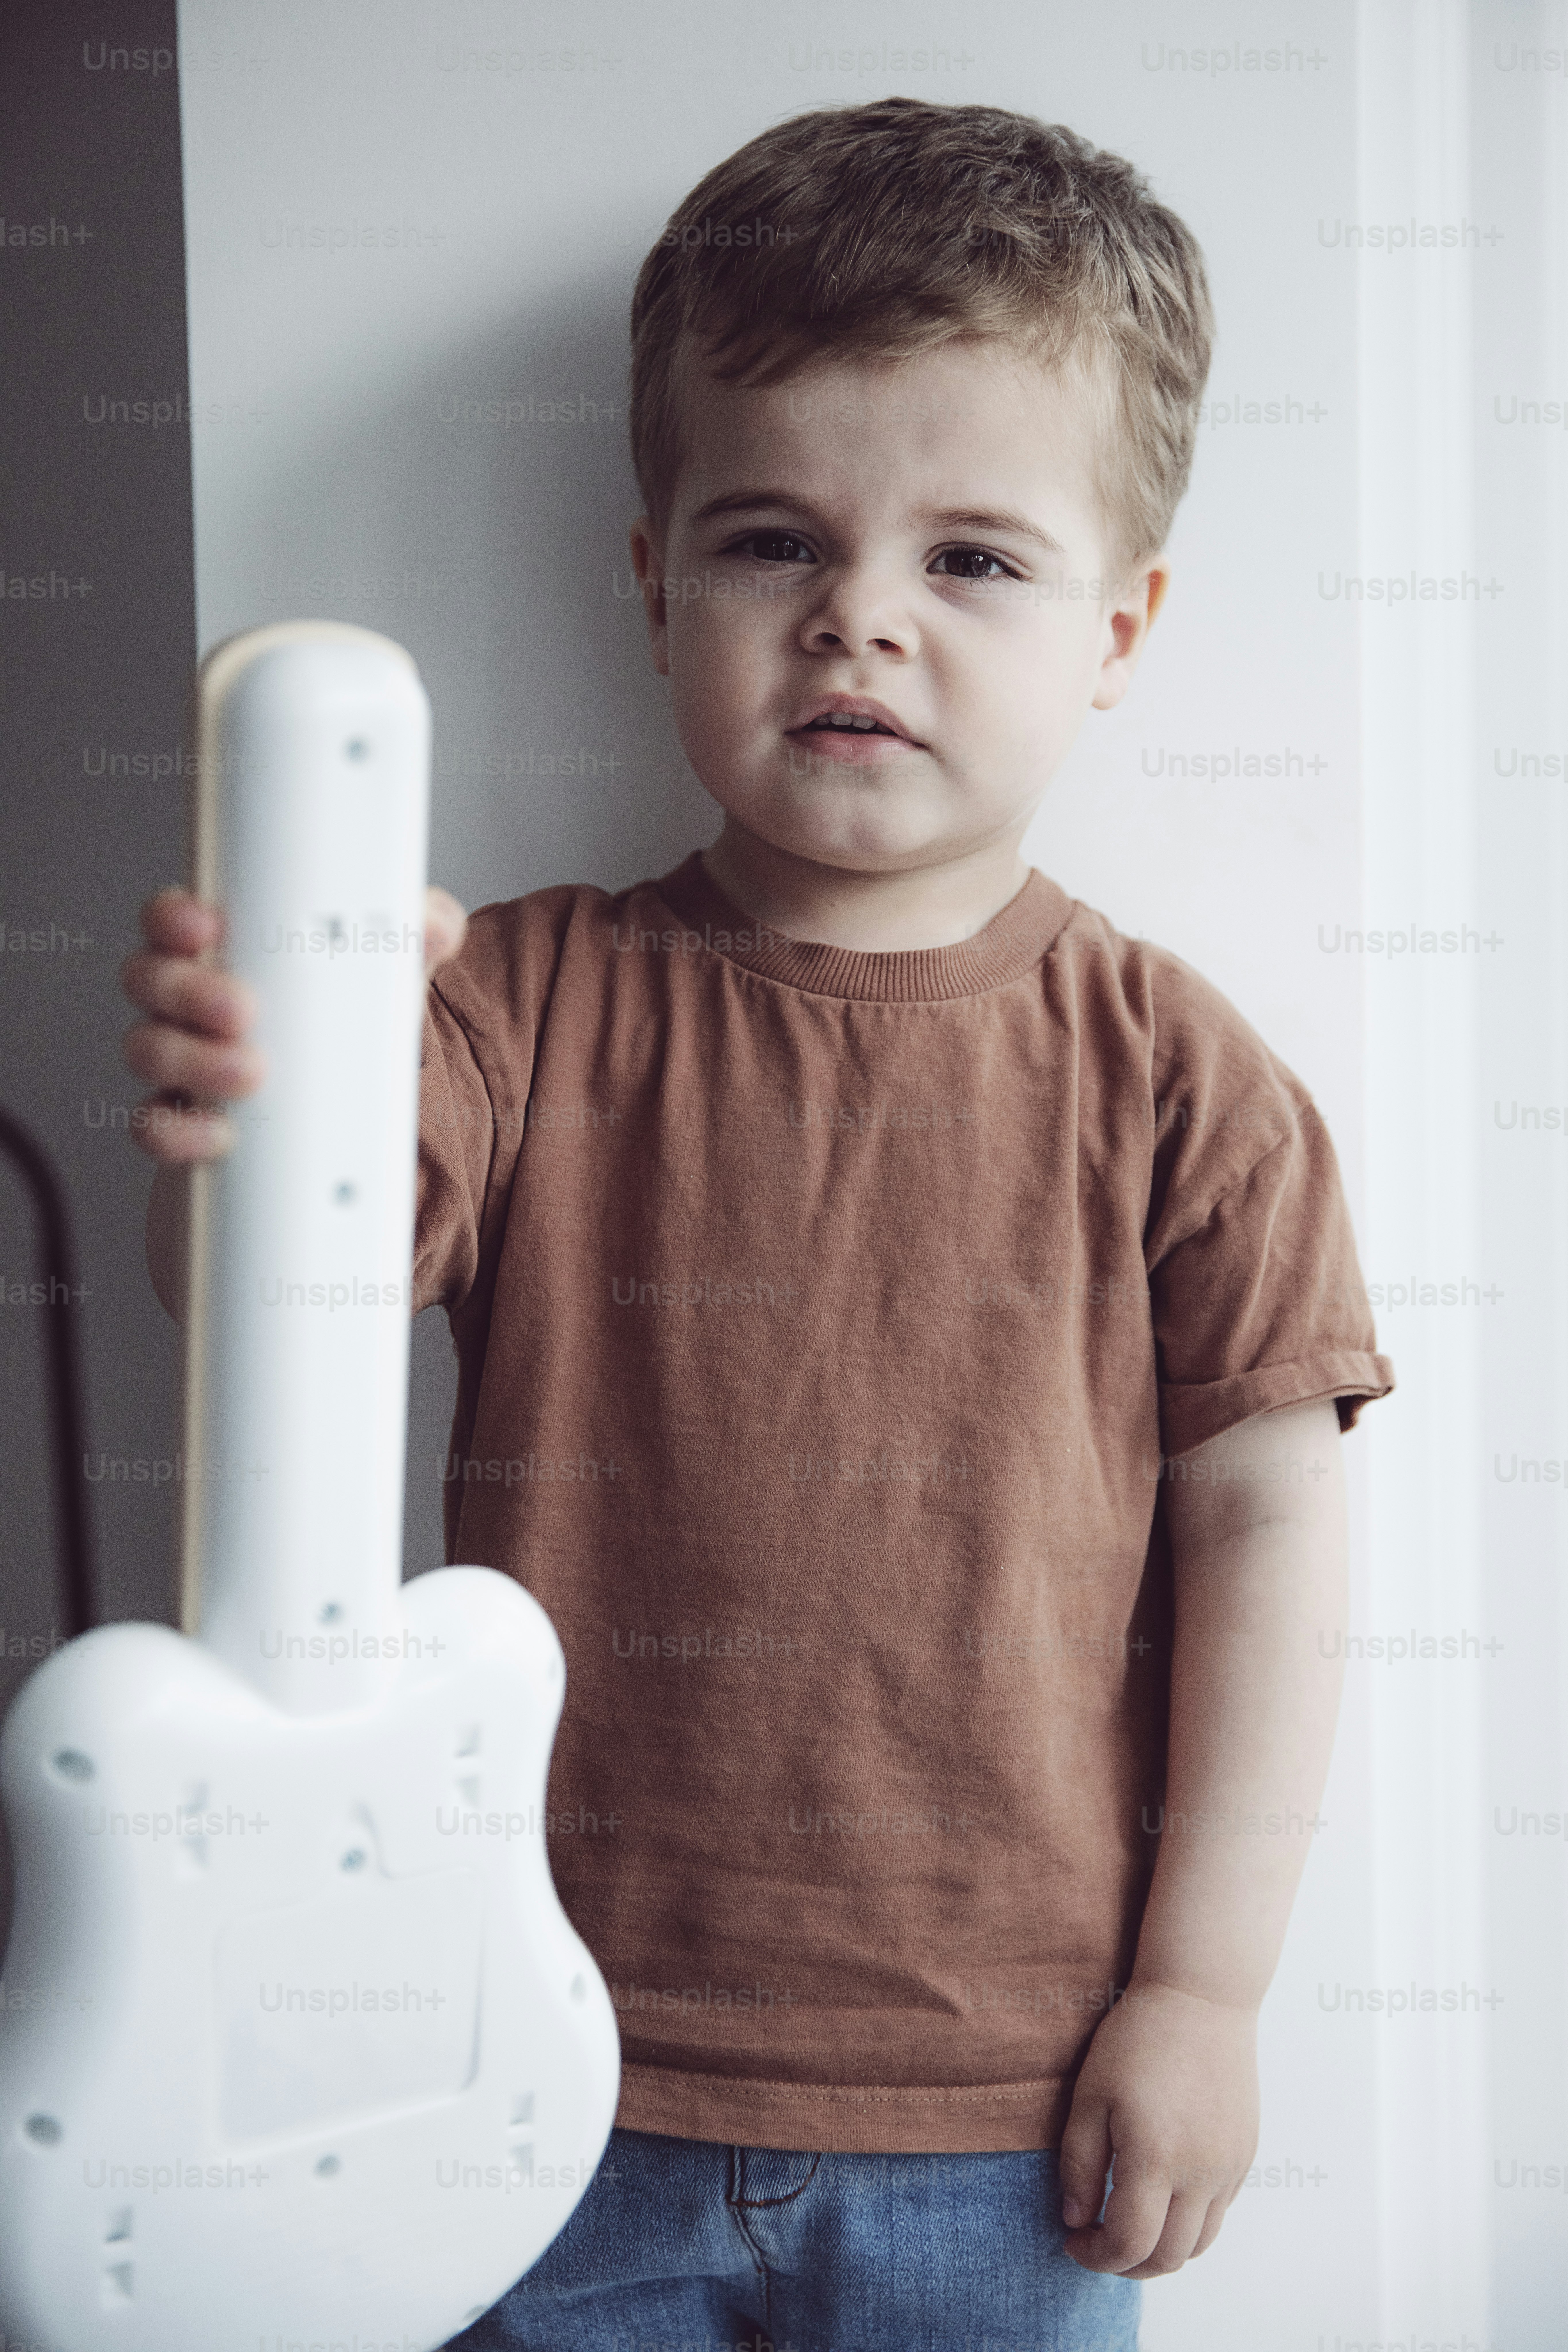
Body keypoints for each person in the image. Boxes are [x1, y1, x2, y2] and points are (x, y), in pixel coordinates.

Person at [120, 98, 1394, 2352]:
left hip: (1004, 2121)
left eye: (970, 561)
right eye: (768, 539)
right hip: (524, 2074)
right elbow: (264, 1332)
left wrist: (1202, 1989)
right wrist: (275, 1071)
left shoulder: (1182, 1080)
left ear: (1122, 625)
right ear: (652, 583)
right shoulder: (500, 1005)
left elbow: (1273, 1549)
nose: (857, 622)